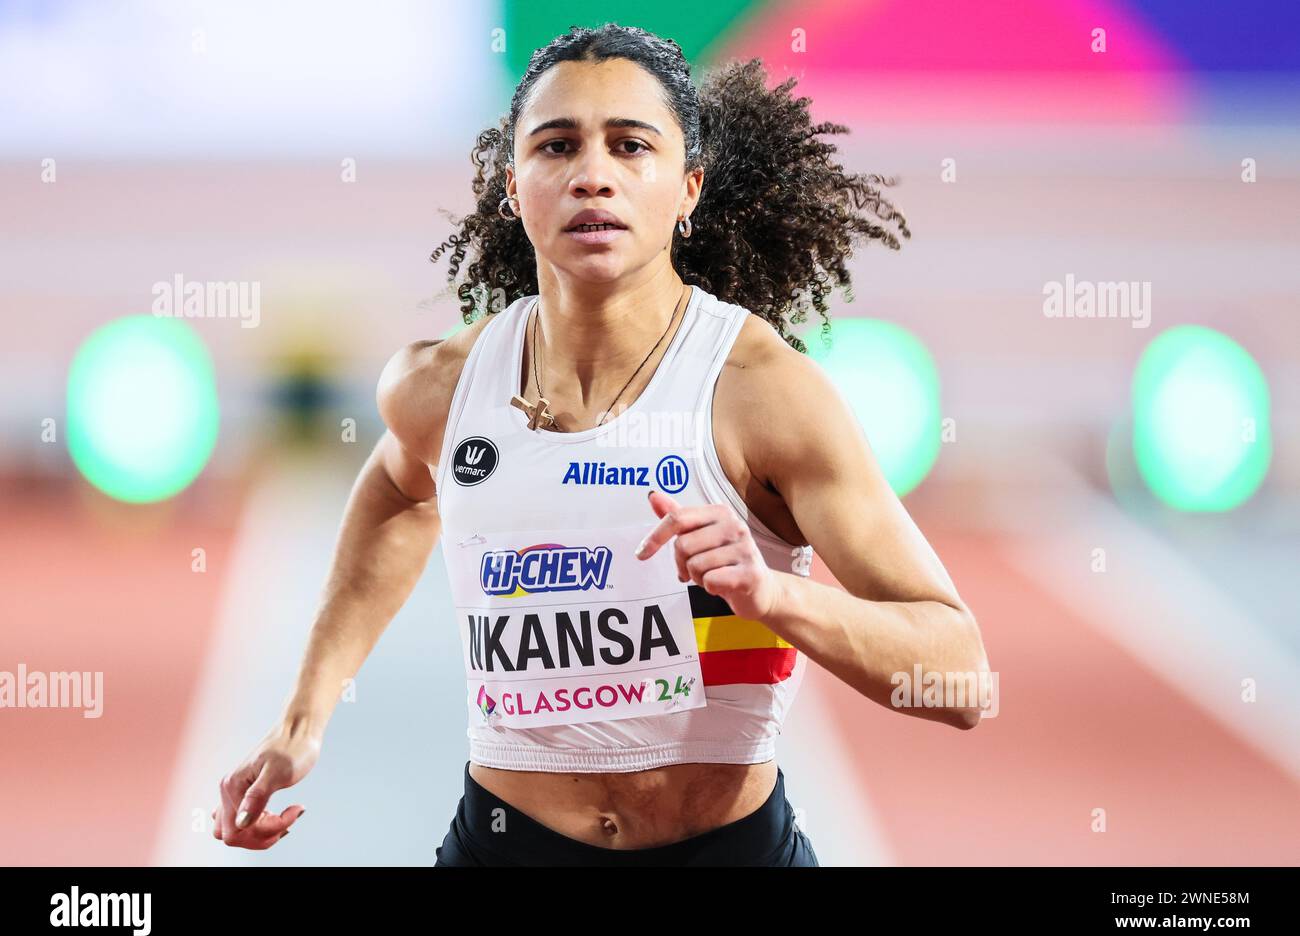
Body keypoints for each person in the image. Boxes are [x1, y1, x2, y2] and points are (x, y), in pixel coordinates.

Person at [212, 23, 988, 866]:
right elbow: (400, 494)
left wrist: (773, 596)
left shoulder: (762, 392)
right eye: (557, 146)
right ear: (514, 186)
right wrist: (303, 718)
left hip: (726, 851)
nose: (592, 176)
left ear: (688, 187)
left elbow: (961, 678)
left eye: (630, 146)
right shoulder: (440, 387)